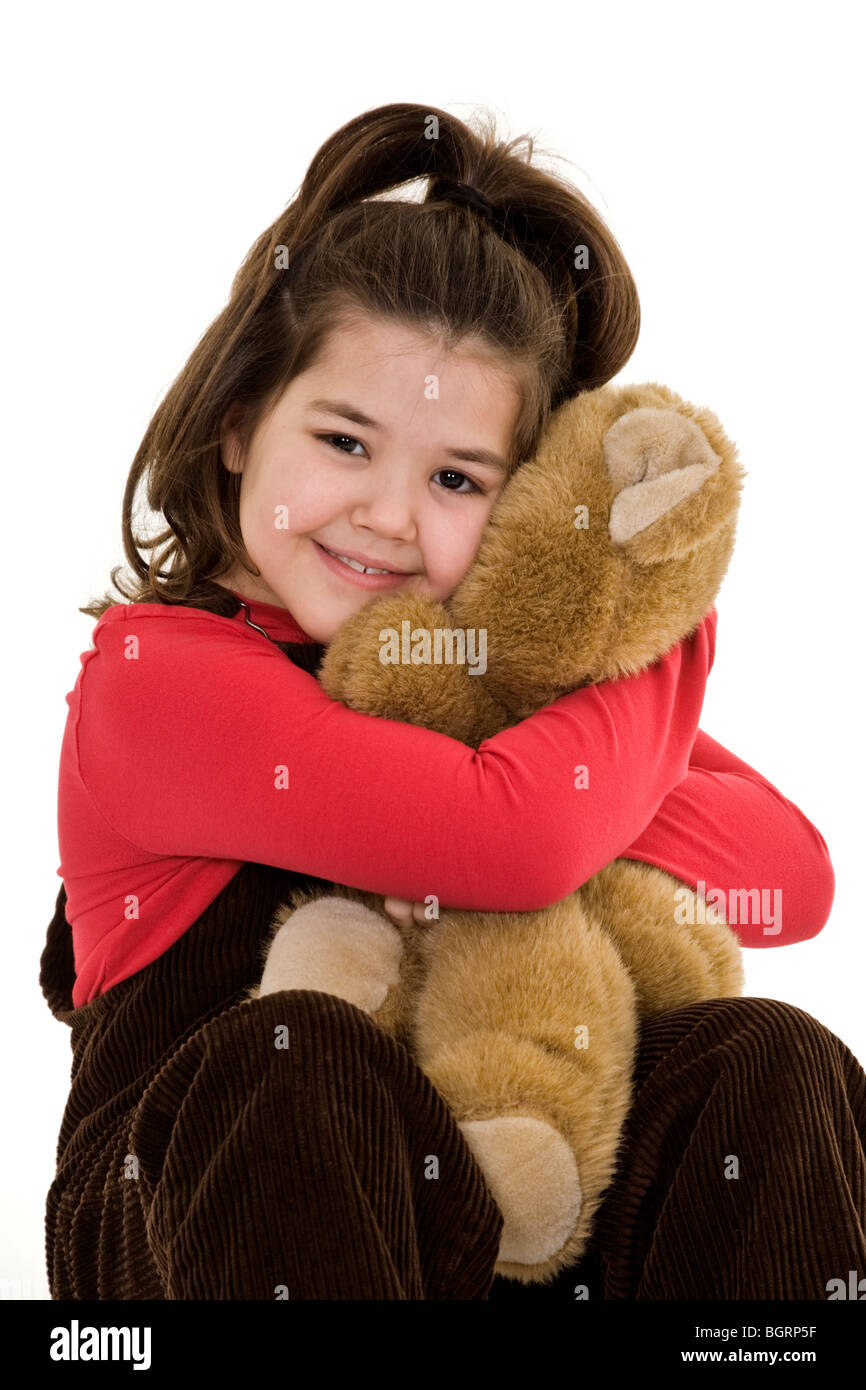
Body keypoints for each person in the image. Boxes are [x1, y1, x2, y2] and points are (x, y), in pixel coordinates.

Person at [41, 102, 860, 1302]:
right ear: (234, 425)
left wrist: (618, 628)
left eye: (455, 477)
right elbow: (518, 838)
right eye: (344, 440)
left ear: (517, 501)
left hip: (490, 1213)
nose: (386, 512)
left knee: (768, 1060)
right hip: (187, 1224)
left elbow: (790, 877)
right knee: (298, 1054)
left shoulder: (478, 683)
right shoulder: (158, 678)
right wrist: (663, 626)